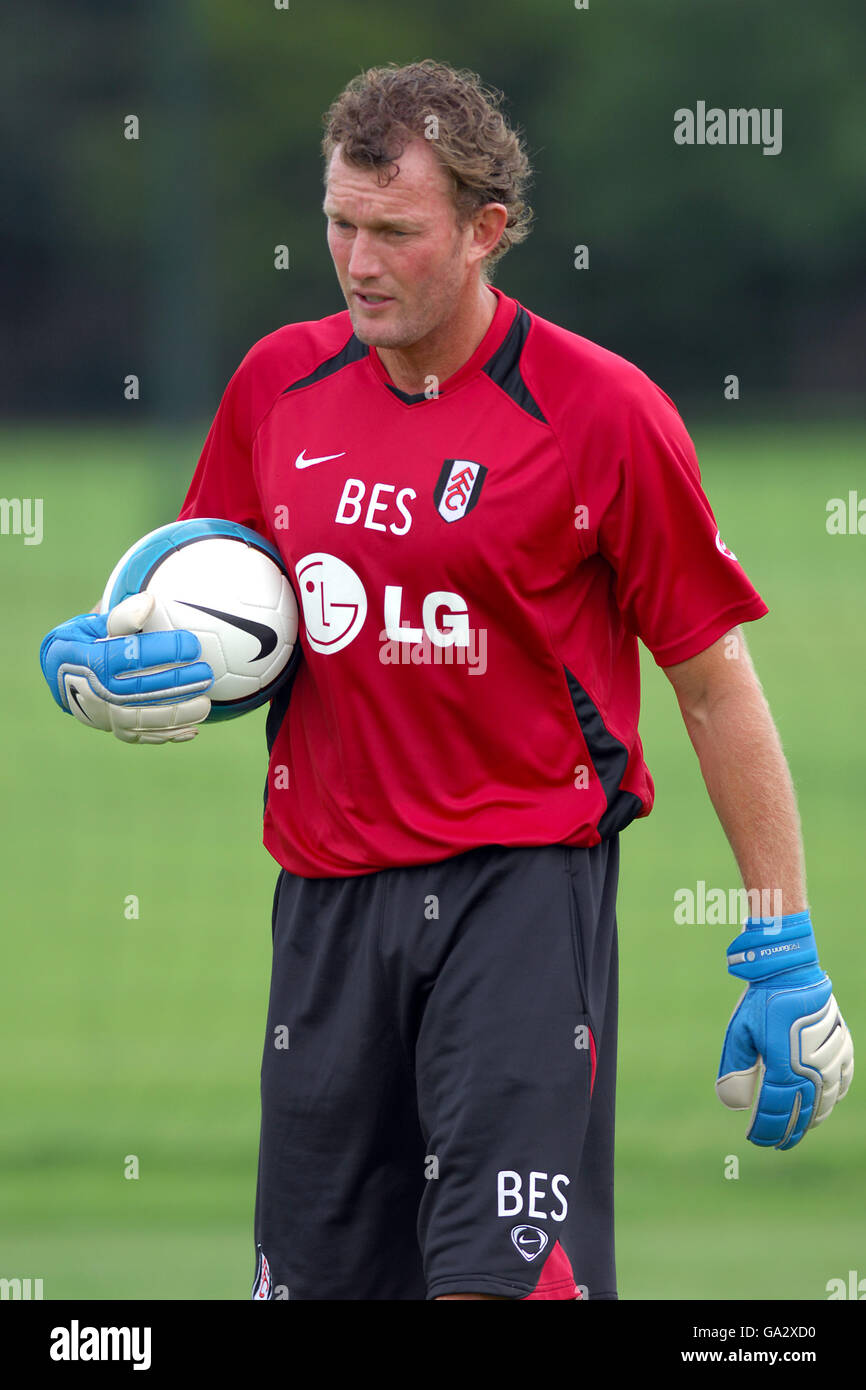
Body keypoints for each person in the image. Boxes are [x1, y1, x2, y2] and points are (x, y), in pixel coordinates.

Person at [40, 60, 853, 1301]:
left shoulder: (601, 412)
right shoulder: (277, 383)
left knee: (496, 1280)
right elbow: (224, 614)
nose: (358, 262)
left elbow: (710, 685)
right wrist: (118, 660)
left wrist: (781, 941)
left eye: (394, 233)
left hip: (519, 895)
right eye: (339, 224)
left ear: (482, 232)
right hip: (323, 902)